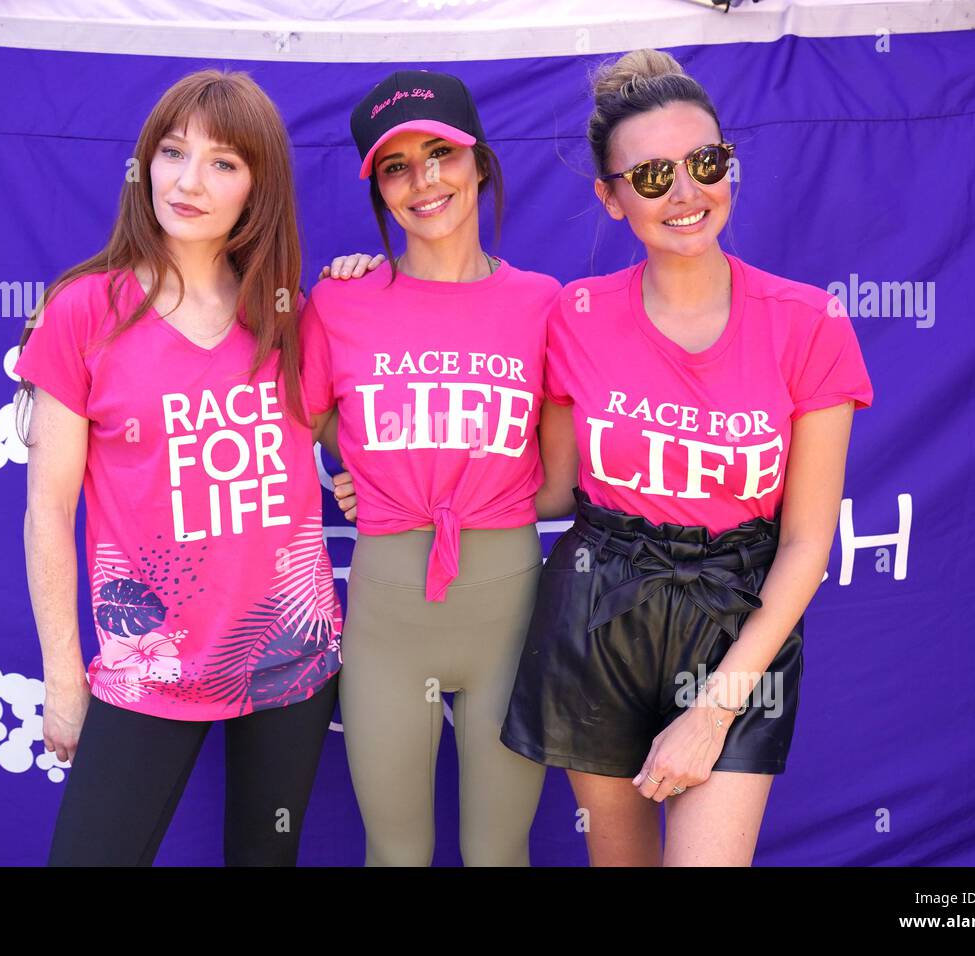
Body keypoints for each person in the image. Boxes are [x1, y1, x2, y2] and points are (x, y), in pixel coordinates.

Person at [500, 49, 874, 866]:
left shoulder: (808, 323)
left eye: (705, 162)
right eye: (651, 174)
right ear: (611, 197)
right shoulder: (577, 315)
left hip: (738, 623)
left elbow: (808, 541)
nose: (686, 192)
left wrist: (714, 709)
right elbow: (552, 489)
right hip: (597, 614)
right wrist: (406, 478)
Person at [15, 68, 367, 866]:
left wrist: (359, 293)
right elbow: (47, 512)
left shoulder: (290, 314)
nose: (188, 180)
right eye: (172, 152)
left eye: (223, 163)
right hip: (148, 666)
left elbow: (359, 445)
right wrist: (65, 679)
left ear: (258, 186)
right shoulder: (82, 312)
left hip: (291, 655)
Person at [299, 69, 561, 866]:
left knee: (498, 853)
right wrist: (372, 474)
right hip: (388, 623)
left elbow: (557, 477)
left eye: (441, 153)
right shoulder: (339, 303)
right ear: (380, 191)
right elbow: (300, 423)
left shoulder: (544, 303)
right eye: (397, 166)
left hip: (508, 614)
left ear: (479, 162)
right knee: (396, 853)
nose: (425, 181)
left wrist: (455, 484)